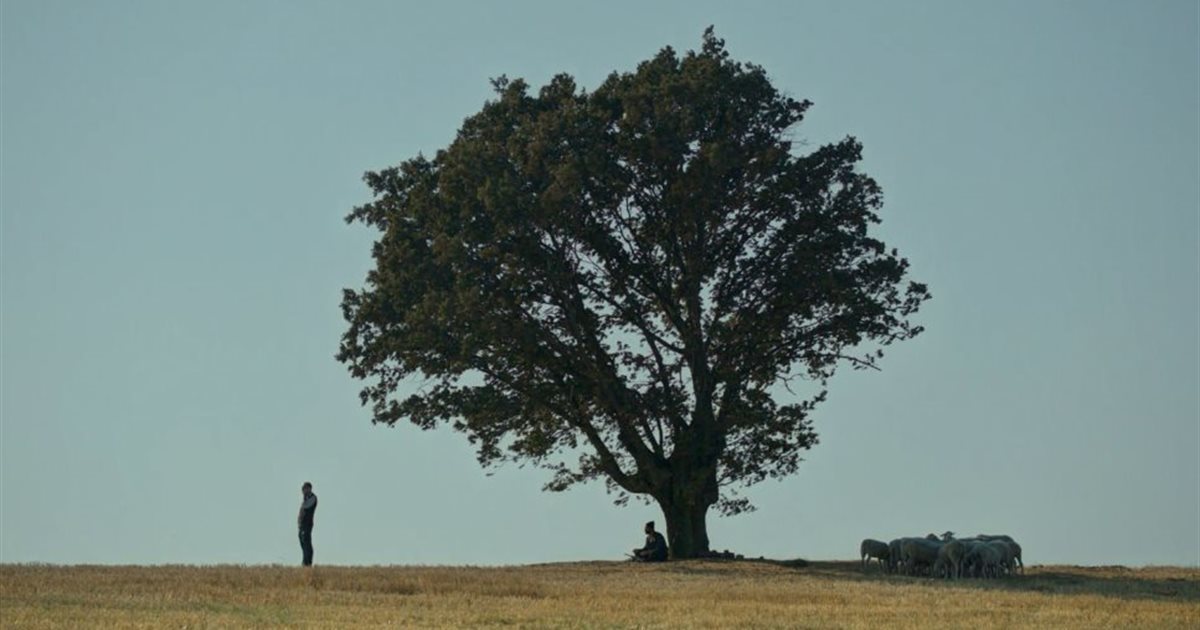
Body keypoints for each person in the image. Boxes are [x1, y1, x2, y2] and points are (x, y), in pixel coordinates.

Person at [297, 482, 318, 566]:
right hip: (302, 524)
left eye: (305, 489)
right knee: (302, 541)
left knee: (307, 542)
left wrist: (304, 499)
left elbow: (306, 506)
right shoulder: (305, 498)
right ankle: (305, 561)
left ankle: (308, 562)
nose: (303, 491)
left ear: (309, 488)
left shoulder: (313, 498)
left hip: (308, 524)